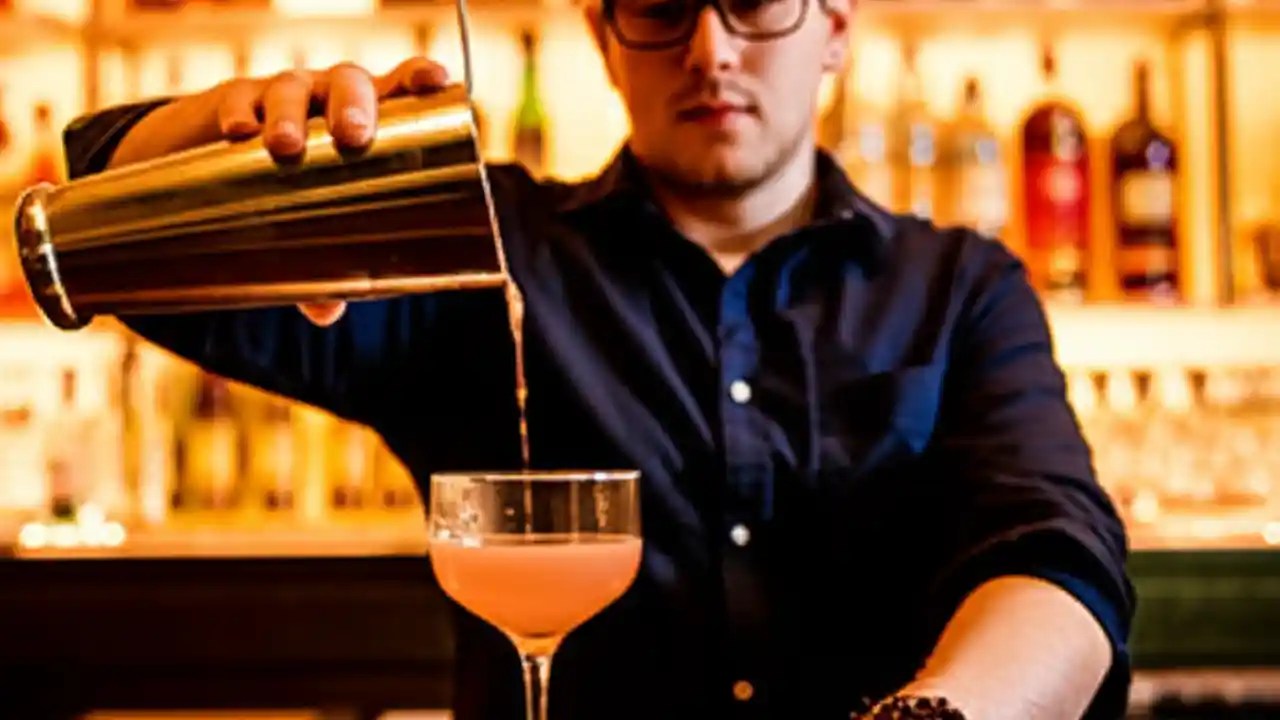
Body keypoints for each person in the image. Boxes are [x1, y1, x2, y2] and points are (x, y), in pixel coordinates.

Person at [62, 0, 1134, 718]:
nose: (709, 51)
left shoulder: (959, 288)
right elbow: (133, 273)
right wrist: (220, 132)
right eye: (660, 5)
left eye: (756, 0)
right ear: (601, 36)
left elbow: (1055, 557)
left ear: (836, 29)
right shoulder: (481, 254)